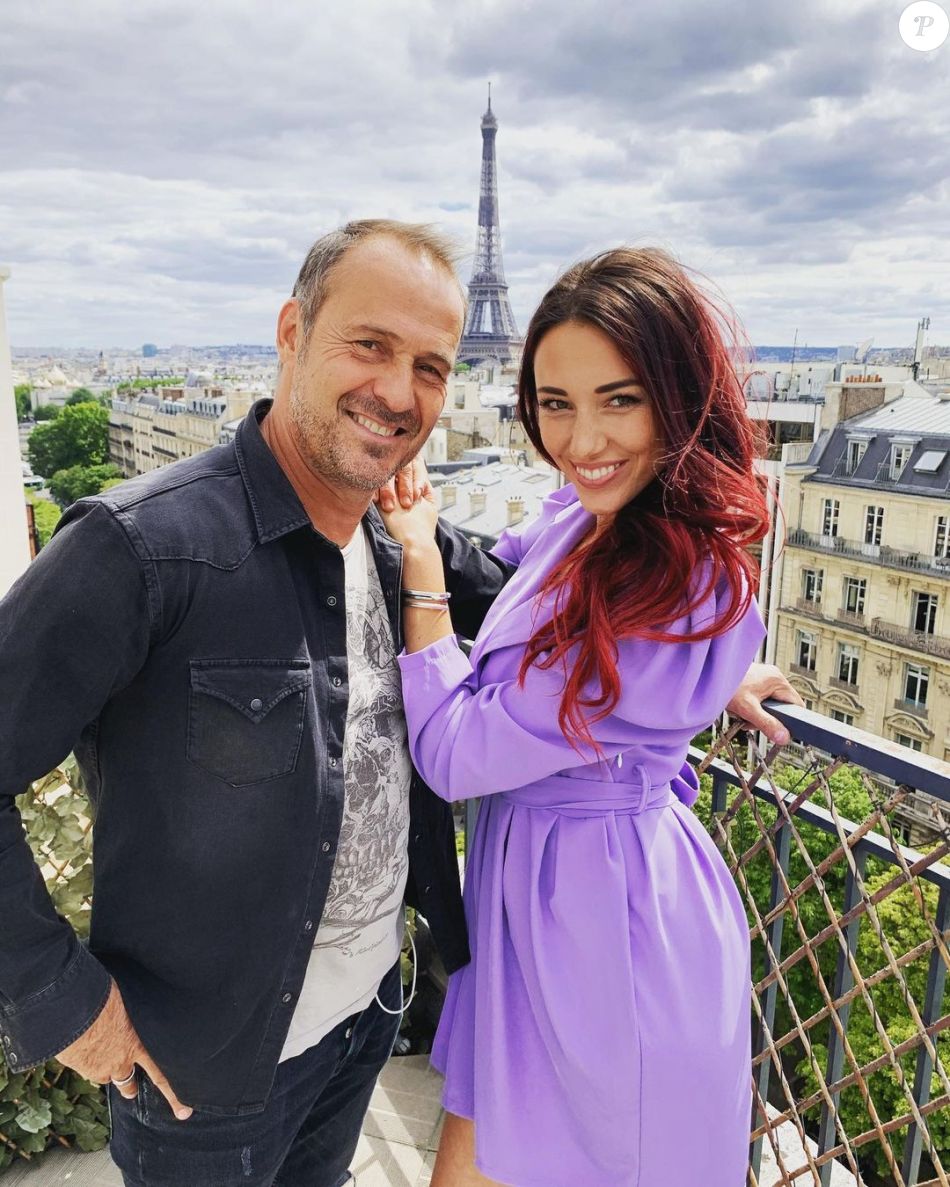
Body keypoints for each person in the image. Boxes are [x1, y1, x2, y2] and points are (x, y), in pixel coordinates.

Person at [0, 222, 794, 1187]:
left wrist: (703, 671)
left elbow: (562, 613)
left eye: (430, 366)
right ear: (291, 332)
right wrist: (63, 1002)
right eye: (369, 344)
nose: (398, 390)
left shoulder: (389, 543)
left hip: (365, 1025)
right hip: (204, 1074)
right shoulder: (143, 548)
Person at [381, 246, 789, 1187]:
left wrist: (420, 575)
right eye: (556, 403)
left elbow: (453, 752)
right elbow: (515, 584)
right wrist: (701, 681)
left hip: (607, 929)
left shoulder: (678, 583)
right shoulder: (591, 517)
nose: (583, 438)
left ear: (677, 396)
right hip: (545, 902)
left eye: (620, 399)